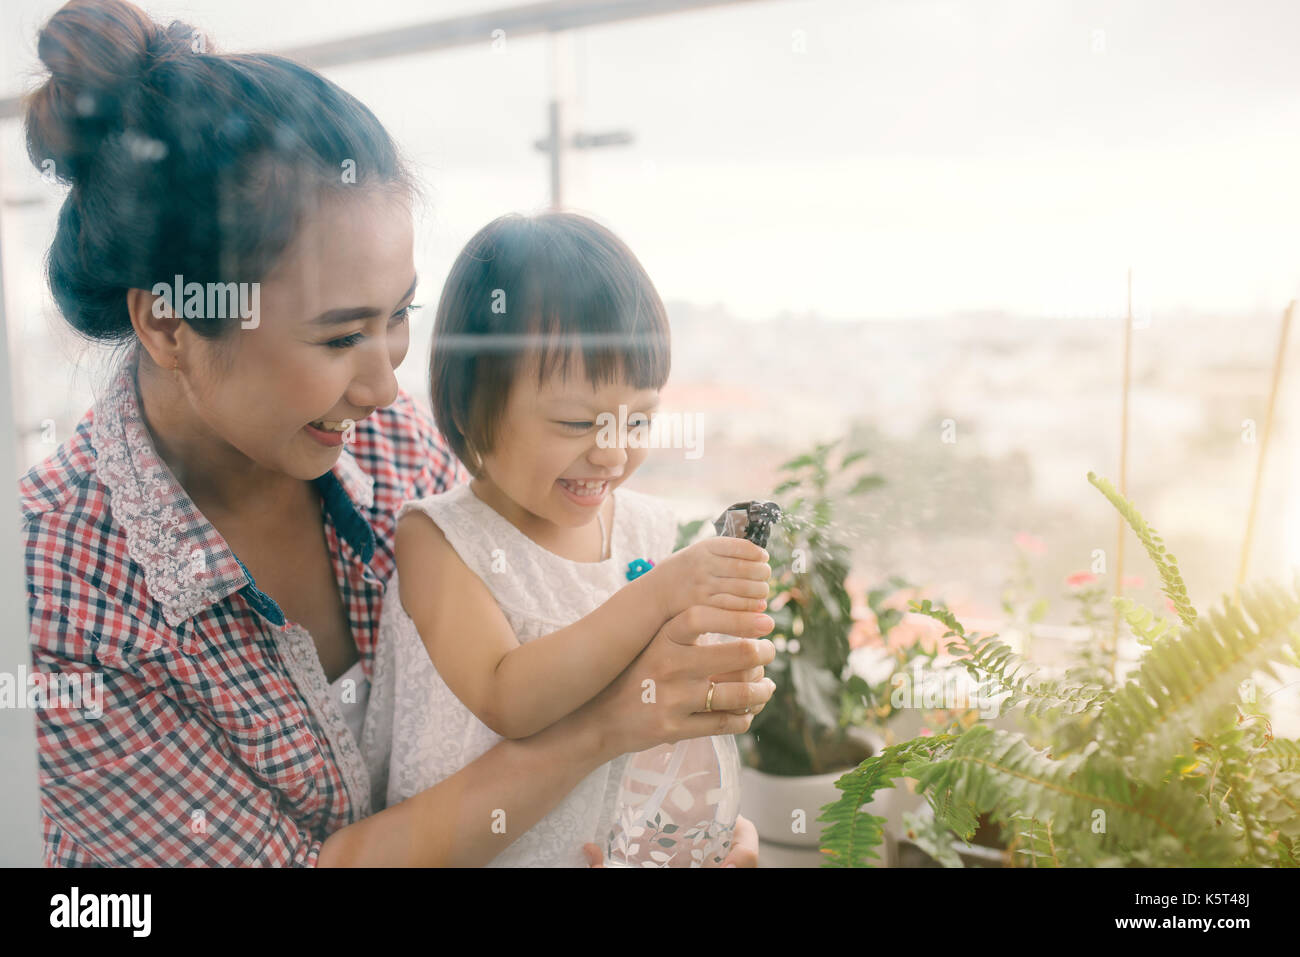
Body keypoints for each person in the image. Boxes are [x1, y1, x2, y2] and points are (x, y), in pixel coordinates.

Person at [17, 0, 774, 866]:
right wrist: (609, 727)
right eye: (340, 336)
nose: (386, 384)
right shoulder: (54, 598)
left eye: (399, 316)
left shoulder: (376, 443)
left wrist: (664, 816)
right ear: (170, 325)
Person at [366, 212, 774, 866]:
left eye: (638, 417)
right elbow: (508, 696)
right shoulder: (439, 539)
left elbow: (651, 718)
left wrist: (705, 825)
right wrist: (666, 591)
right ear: (473, 411)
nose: (612, 452)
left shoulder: (643, 528)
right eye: (576, 421)